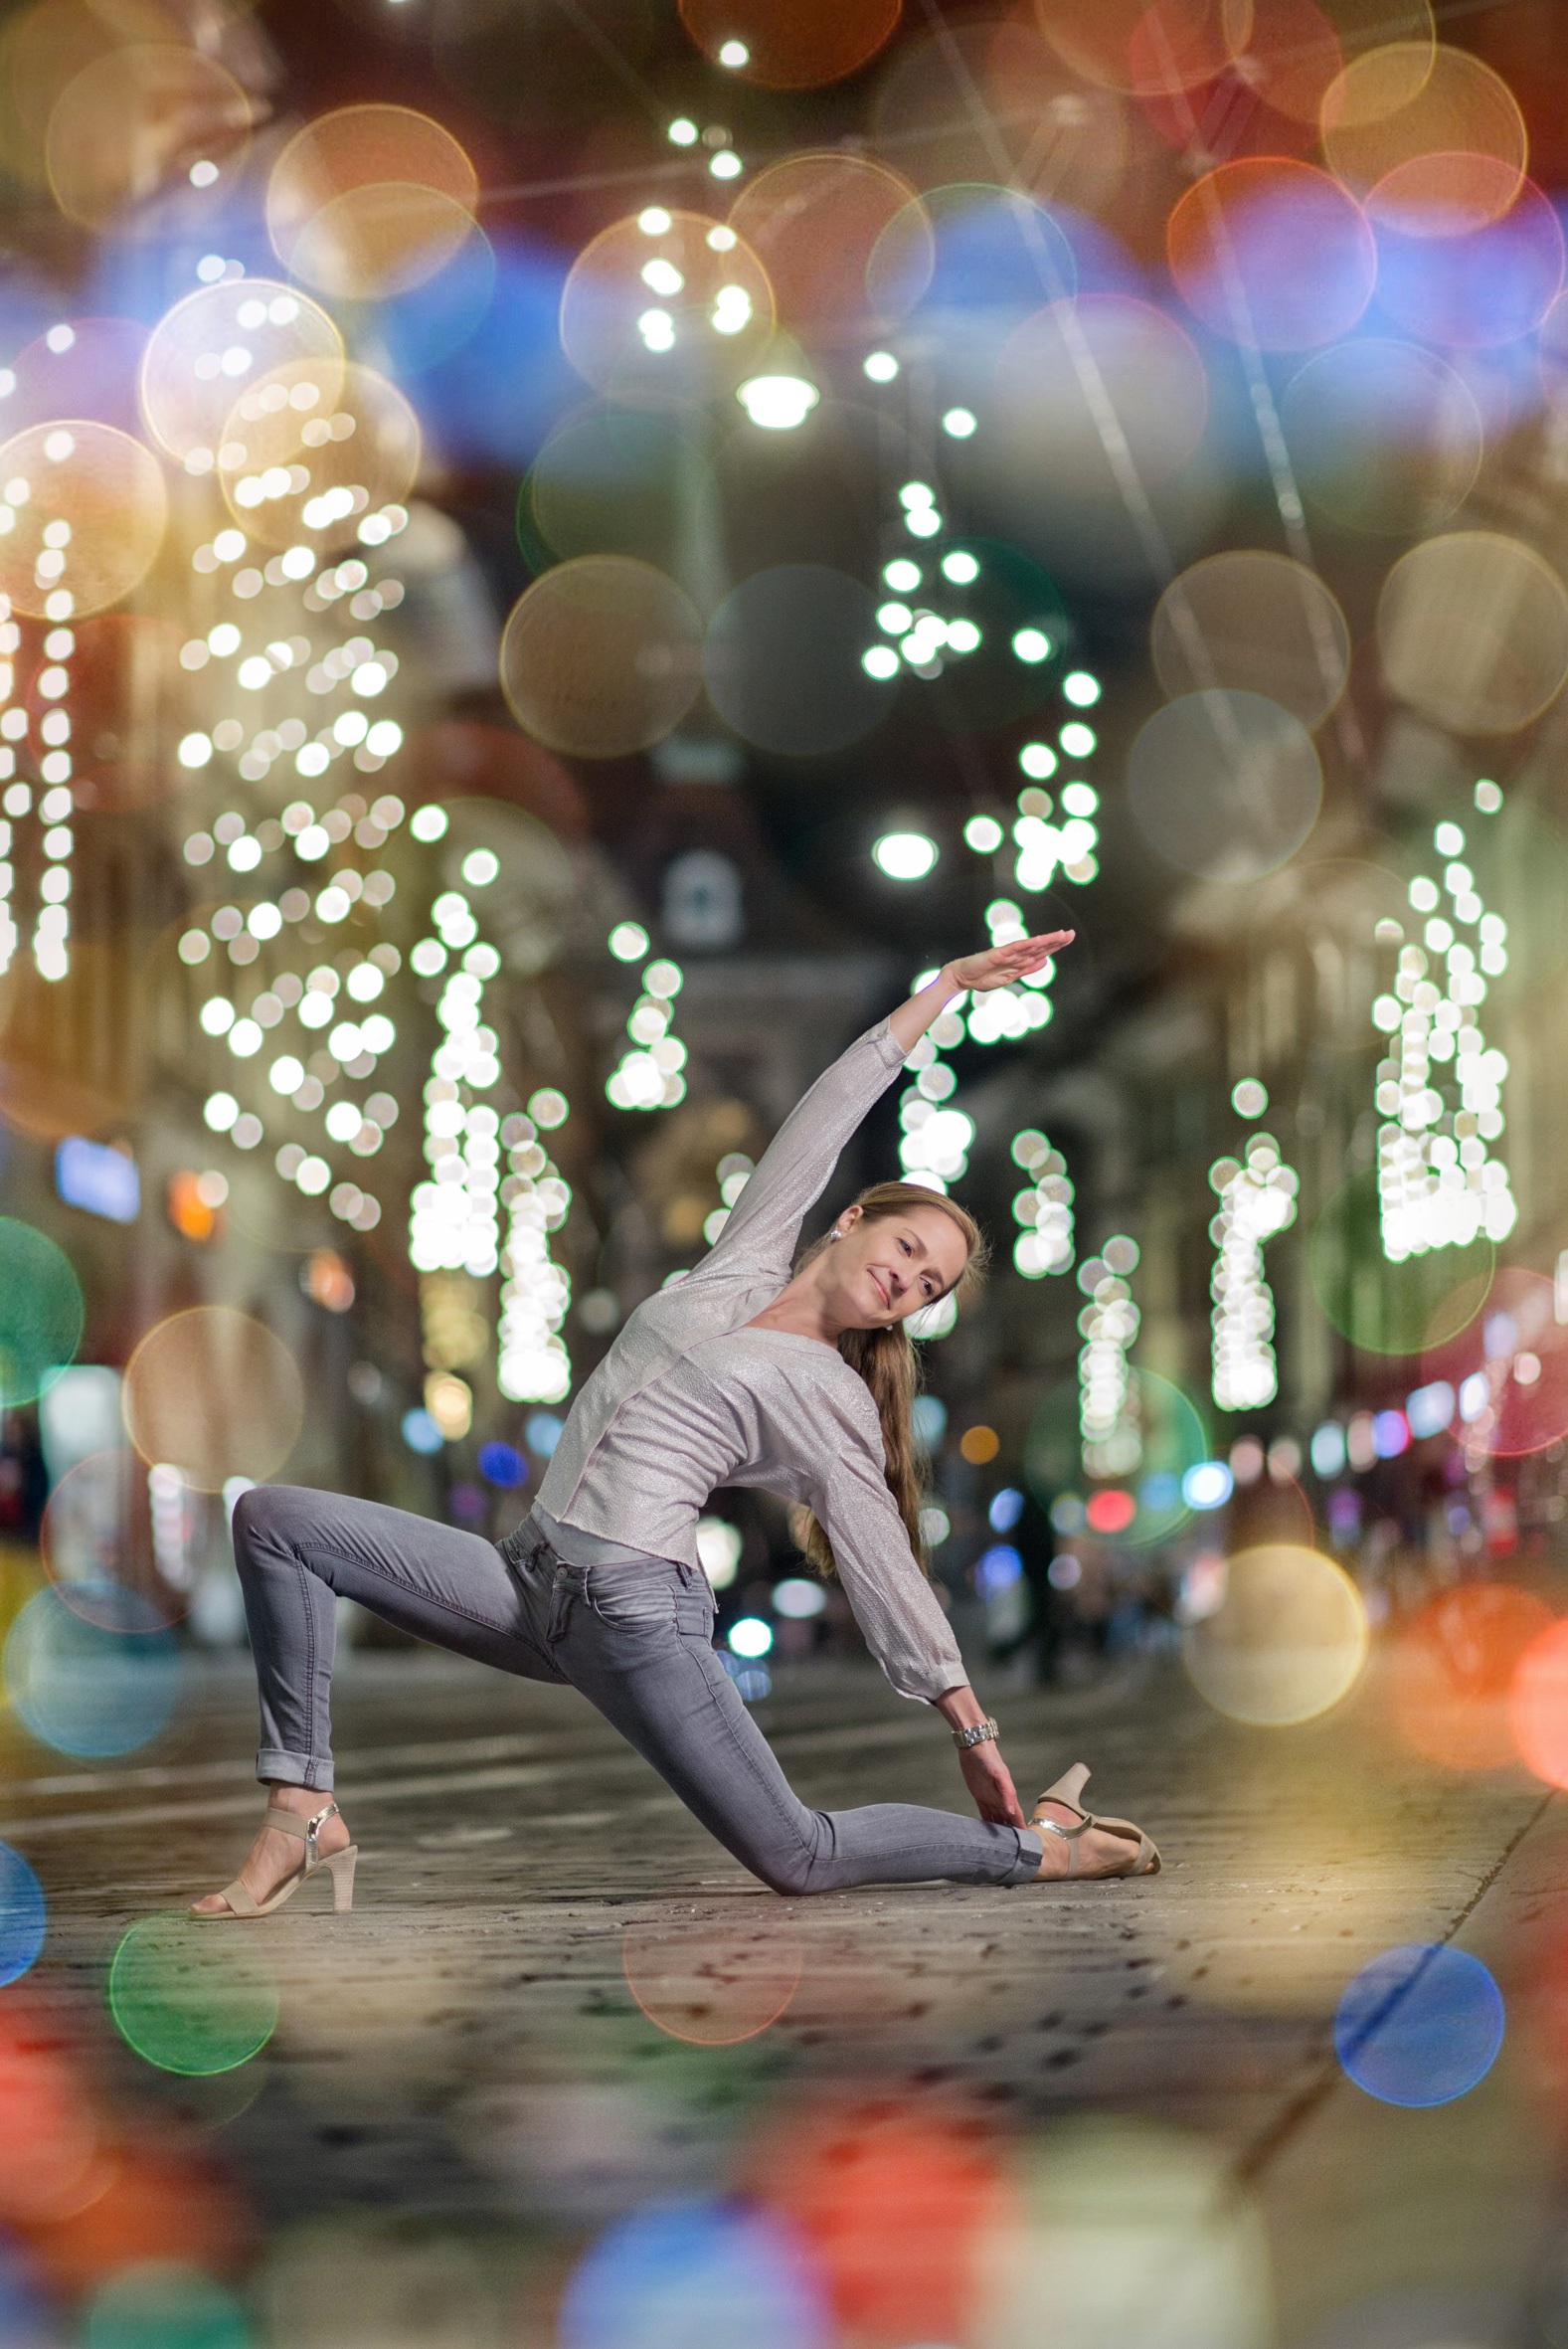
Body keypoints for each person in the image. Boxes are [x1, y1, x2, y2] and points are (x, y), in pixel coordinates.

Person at [192, 930, 1157, 1919]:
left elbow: (880, 1564)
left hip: (636, 1615)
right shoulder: (741, 1260)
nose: (905, 1278)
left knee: (798, 1855)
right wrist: (945, 988)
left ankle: (1042, 1851)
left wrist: (970, 1730)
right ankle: (301, 1807)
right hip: (528, 1582)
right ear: (851, 1218)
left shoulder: (831, 1400)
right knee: (276, 1522)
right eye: (905, 1245)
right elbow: (830, 1107)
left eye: (926, 1285)